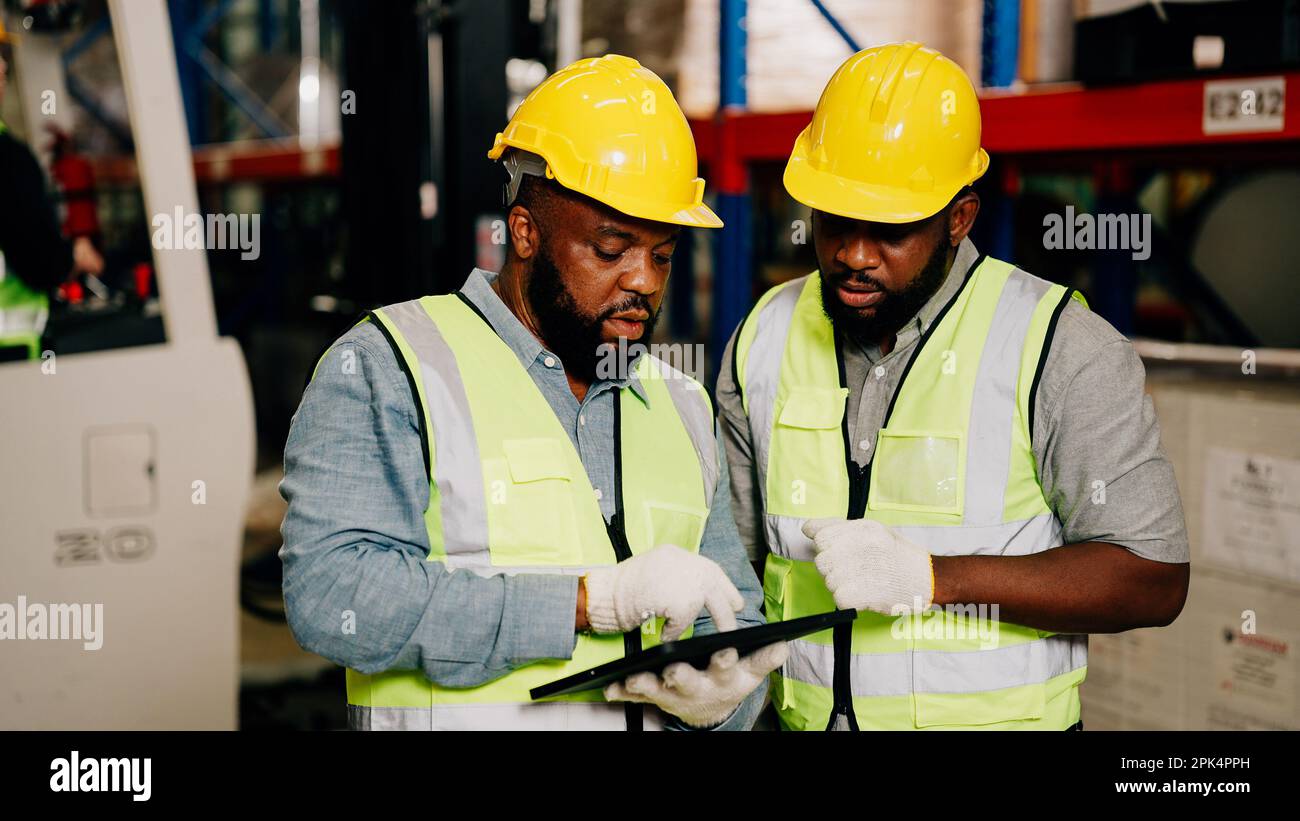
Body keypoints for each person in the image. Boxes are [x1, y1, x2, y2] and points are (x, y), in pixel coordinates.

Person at [280, 54, 785, 731]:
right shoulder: (390, 366)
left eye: (662, 255)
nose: (643, 280)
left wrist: (721, 702)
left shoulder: (683, 405)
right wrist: (587, 603)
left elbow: (738, 620)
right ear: (525, 232)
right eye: (611, 250)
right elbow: (333, 593)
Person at [716, 42, 1189, 730]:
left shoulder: (1057, 345)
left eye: (890, 229)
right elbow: (741, 567)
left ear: (960, 217)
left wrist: (934, 579)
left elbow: (1153, 576)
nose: (853, 253)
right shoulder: (763, 337)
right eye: (835, 218)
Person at [0, 24, 104, 361]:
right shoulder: (7, 158)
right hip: (10, 352)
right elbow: (38, 261)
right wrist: (74, 256)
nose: (3, 68)